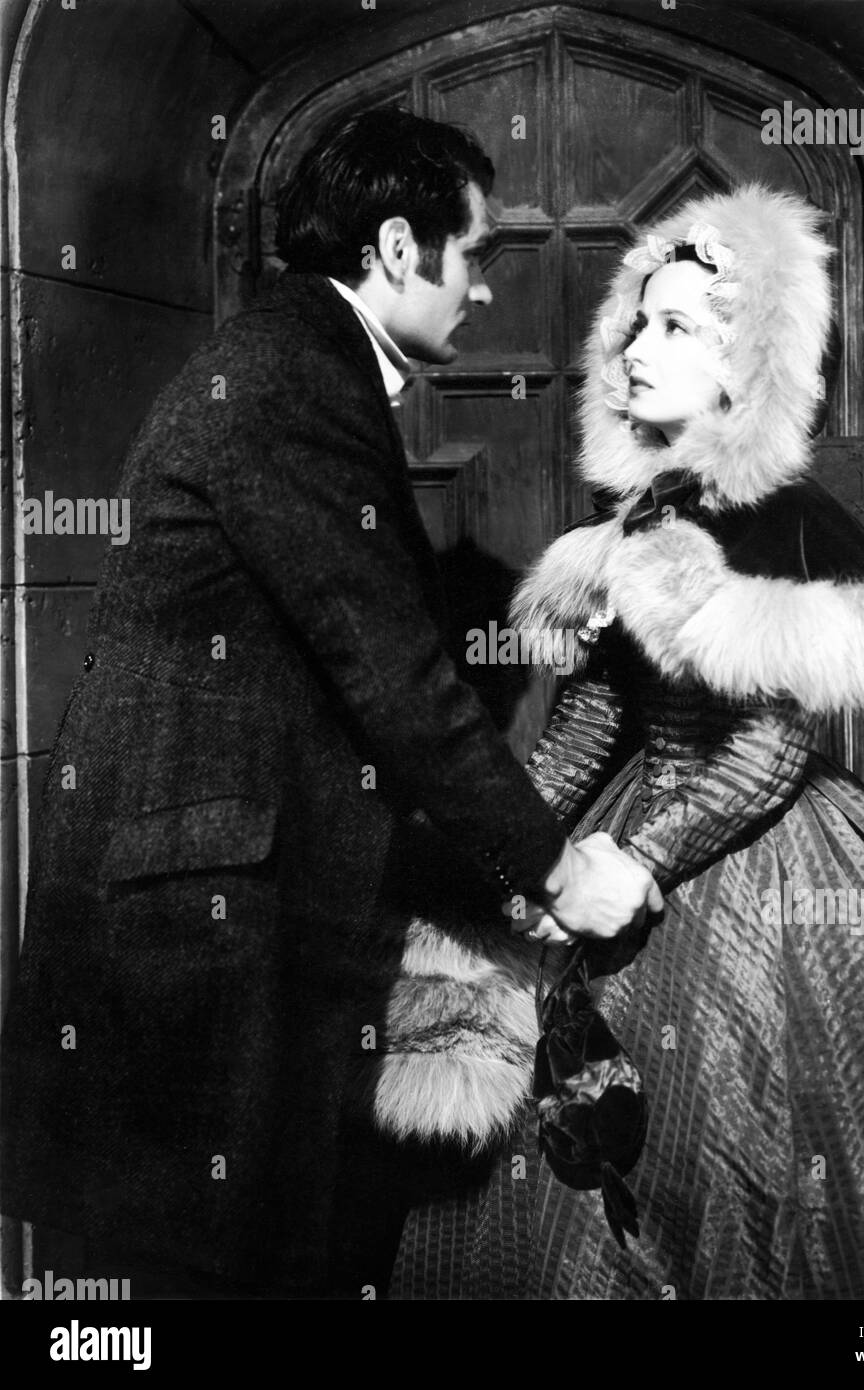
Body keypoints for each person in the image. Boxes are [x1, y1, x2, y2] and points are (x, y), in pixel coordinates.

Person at [0, 107, 660, 1299]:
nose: (482, 297)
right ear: (398, 249)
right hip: (203, 924)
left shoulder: (294, 359)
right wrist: (559, 875)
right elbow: (396, 686)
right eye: (473, 258)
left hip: (221, 902)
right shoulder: (294, 378)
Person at [390, 183, 864, 1300]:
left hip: (766, 869)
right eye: (638, 320)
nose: (639, 344)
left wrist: (636, 860)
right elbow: (595, 716)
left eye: (677, 326)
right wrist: (521, 848)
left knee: (753, 1172)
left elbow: (768, 755)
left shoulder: (787, 521)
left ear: (745, 369)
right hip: (620, 836)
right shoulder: (627, 523)